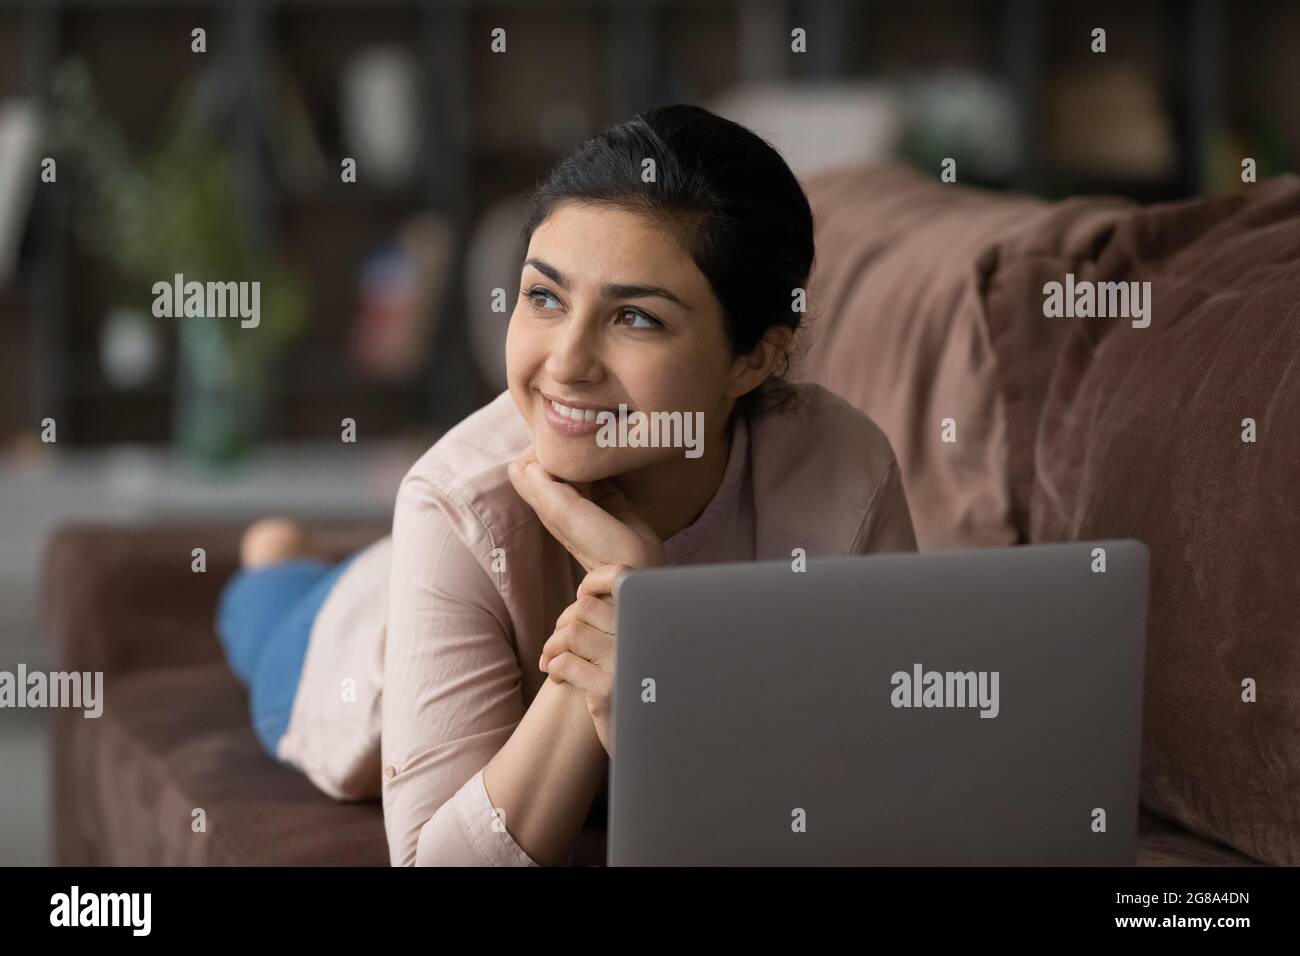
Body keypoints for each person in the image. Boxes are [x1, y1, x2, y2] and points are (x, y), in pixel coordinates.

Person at [216, 103, 917, 867]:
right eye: (545, 297)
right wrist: (619, 611)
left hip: (448, 570)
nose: (568, 363)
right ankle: (280, 555)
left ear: (754, 359)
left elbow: (877, 785)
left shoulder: (844, 474)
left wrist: (649, 645)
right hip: (353, 646)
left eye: (636, 319)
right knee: (268, 616)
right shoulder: (453, 500)